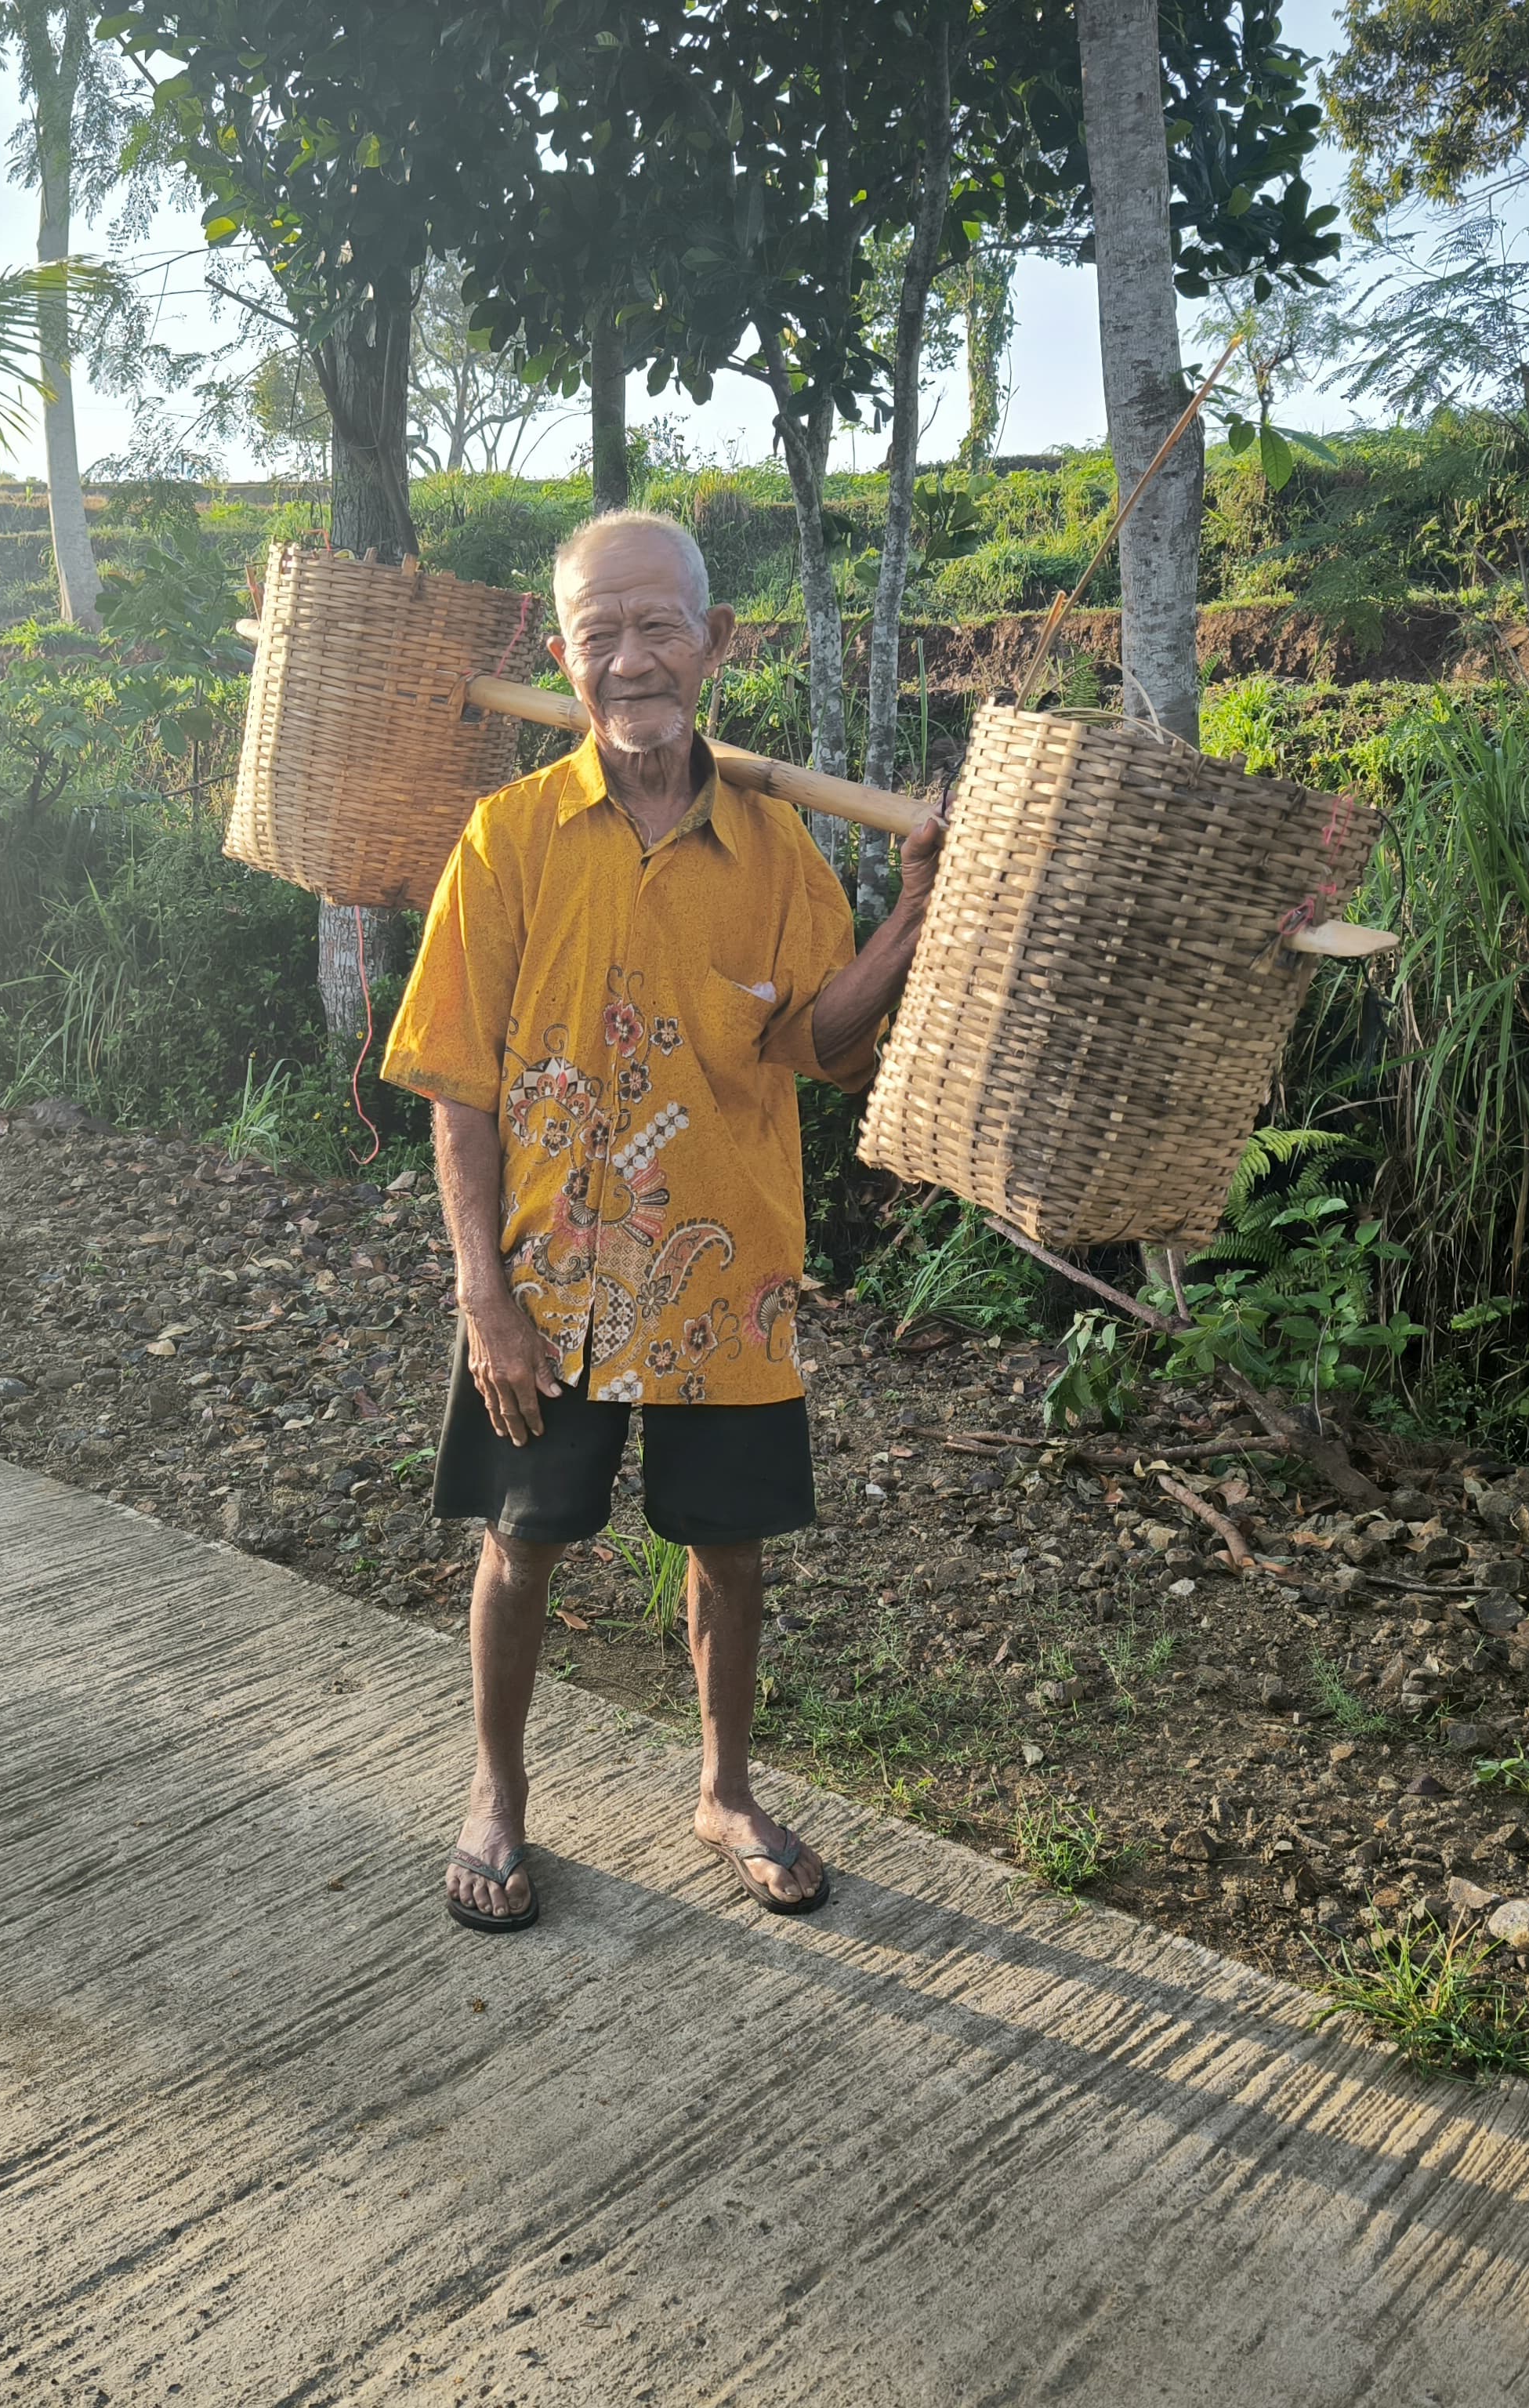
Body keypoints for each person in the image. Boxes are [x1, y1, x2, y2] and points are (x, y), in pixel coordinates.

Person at [382, 509, 942, 1932]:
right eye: (599, 634)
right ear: (566, 657)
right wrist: (481, 1298)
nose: (631, 660)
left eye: (658, 628)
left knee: (730, 1552)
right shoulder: (509, 839)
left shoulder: (774, 849)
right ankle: (497, 1798)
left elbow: (820, 1043)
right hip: (547, 1280)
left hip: (724, 1275)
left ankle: (725, 1789)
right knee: (520, 1540)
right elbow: (455, 1082)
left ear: (715, 643)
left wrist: (912, 916)